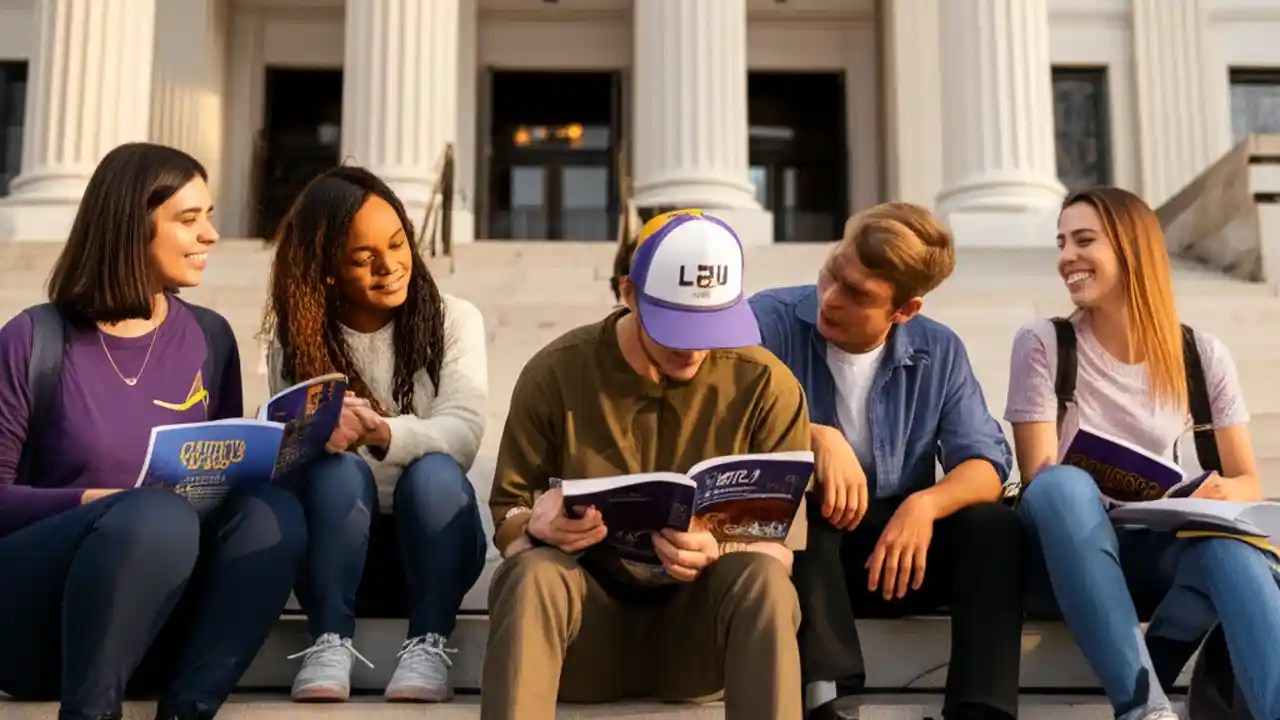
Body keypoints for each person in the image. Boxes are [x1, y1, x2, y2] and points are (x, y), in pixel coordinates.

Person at [0, 142, 307, 720]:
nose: (211, 235)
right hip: (36, 623)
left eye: (210, 216)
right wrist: (103, 502)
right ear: (129, 227)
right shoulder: (33, 340)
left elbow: (225, 486)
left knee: (271, 513)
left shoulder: (210, 339)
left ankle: (189, 707)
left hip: (162, 617)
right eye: (189, 220)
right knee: (154, 515)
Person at [483, 210, 811, 720]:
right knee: (531, 574)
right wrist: (536, 526)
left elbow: (781, 549)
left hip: (702, 640)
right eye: (675, 326)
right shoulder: (557, 372)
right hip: (581, 634)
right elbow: (508, 516)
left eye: (710, 326)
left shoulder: (767, 384)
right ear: (628, 293)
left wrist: (719, 546)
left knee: (764, 581)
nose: (693, 347)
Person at [1006, 186, 1280, 720]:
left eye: (1084, 240)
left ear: (1132, 250)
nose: (1067, 257)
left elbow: (1248, 480)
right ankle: (1144, 709)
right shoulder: (1044, 343)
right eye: (1061, 242)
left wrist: (1221, 489)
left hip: (1155, 553)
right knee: (1063, 486)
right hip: (1069, 552)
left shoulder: (1202, 355)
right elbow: (1038, 475)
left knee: (1232, 550)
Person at [749, 202, 1023, 720]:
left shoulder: (938, 350)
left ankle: (980, 712)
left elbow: (986, 462)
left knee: (994, 527)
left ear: (904, 311)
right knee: (804, 499)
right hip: (807, 560)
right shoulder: (770, 320)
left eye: (857, 295)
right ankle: (823, 698)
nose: (829, 298)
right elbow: (723, 418)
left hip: (897, 556)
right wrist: (812, 435)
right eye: (833, 271)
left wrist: (924, 506)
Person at [263, 166, 489, 703]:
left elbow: (463, 432)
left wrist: (384, 432)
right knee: (334, 470)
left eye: (397, 243)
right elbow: (288, 456)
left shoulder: (452, 319)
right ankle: (328, 640)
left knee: (435, 472)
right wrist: (318, 435)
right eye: (365, 258)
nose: (391, 267)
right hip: (338, 554)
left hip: (435, 545)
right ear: (326, 271)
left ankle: (430, 643)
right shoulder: (296, 339)